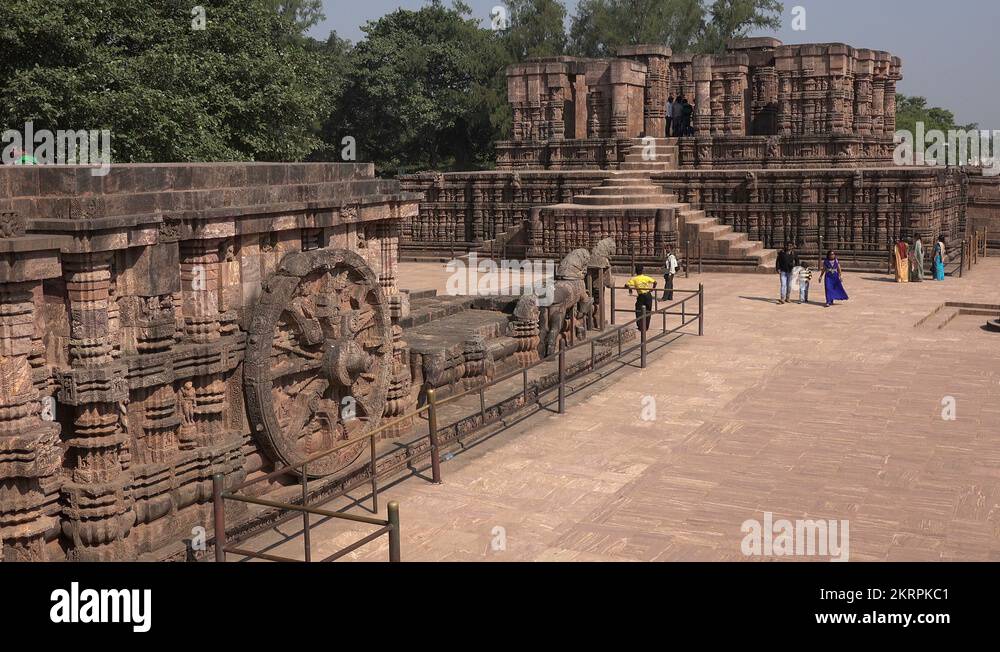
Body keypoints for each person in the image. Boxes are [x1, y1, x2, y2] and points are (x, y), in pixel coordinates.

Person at [626, 265, 657, 331]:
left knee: (639, 310)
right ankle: (646, 327)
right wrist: (653, 289)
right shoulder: (645, 277)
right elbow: (655, 282)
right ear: (642, 271)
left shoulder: (634, 279)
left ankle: (640, 326)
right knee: (648, 311)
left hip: (641, 296)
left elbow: (626, 285)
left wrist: (630, 289)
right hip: (648, 295)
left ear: (635, 271)